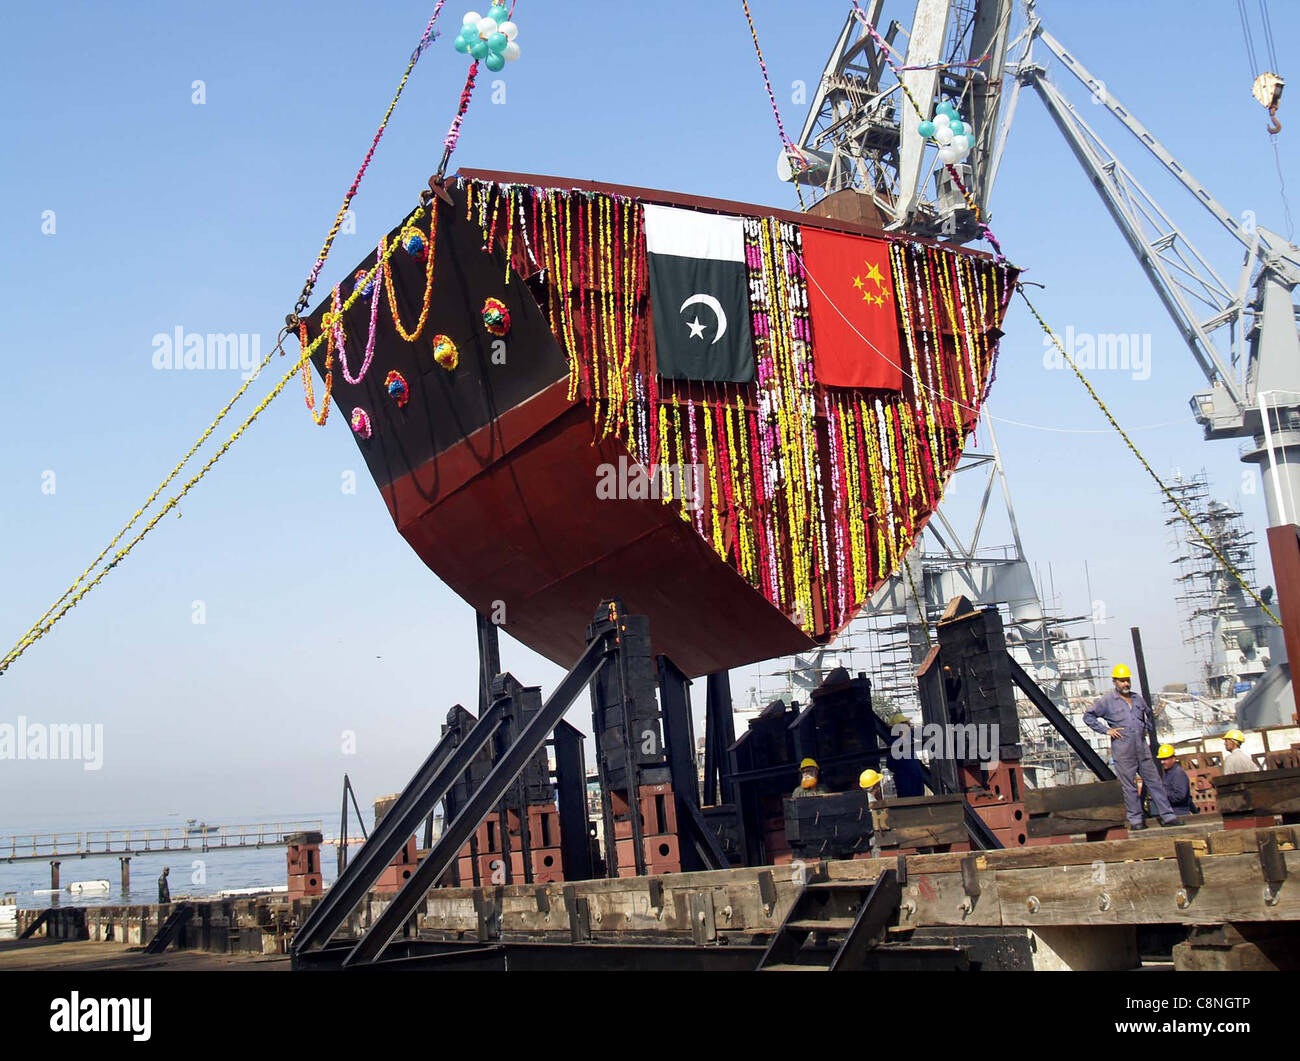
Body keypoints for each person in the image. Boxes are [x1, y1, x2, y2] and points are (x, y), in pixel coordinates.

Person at [1084, 664, 1179, 829]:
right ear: (1115, 682)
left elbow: (1148, 714)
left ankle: (1168, 817)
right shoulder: (1107, 701)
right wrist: (1107, 731)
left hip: (1141, 747)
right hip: (1123, 749)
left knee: (1155, 782)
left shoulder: (1137, 699)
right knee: (1129, 786)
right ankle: (1136, 821)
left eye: (1127, 680)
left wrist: (1146, 729)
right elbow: (1088, 716)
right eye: (1122, 681)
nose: (1126, 684)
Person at [886, 712, 926, 798]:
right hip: (905, 779)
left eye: (907, 724)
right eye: (905, 724)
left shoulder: (909, 741)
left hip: (916, 777)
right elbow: (890, 764)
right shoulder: (894, 743)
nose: (908, 726)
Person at [1157, 745, 1196, 816]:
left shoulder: (1178, 774)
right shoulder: (1168, 773)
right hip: (1172, 811)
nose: (1162, 762)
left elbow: (1180, 796)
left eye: (1165, 759)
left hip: (1179, 812)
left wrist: (1162, 793)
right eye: (1161, 759)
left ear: (1173, 759)